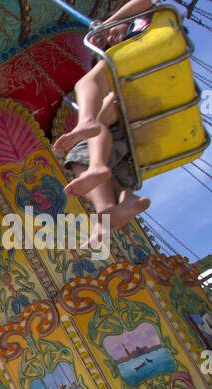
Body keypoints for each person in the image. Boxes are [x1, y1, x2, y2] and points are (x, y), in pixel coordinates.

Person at [52, 0, 158, 246]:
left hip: (139, 87)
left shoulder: (140, 31)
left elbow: (144, 2)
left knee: (87, 87)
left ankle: (87, 123)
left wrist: (112, 23)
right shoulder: (119, 54)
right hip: (127, 119)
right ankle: (113, 208)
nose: (109, 38)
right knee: (78, 158)